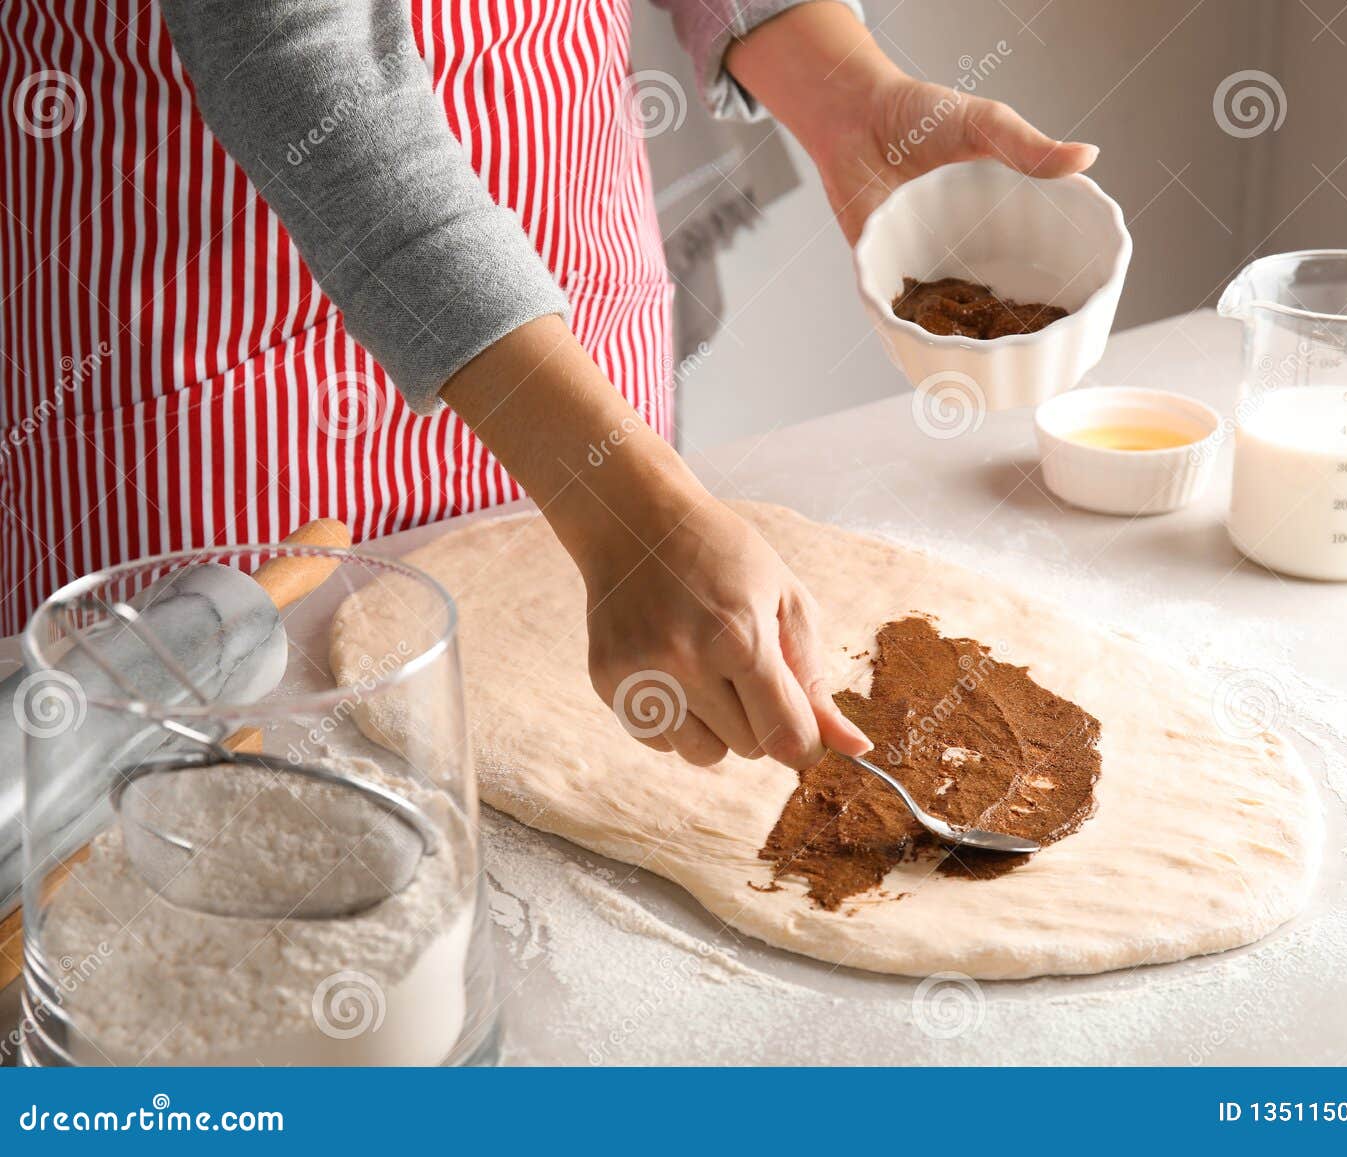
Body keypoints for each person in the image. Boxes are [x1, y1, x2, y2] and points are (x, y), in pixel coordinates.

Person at [1, 1, 1096, 770]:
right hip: (221, 341)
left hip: (560, 246)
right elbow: (289, 44)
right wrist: (628, 507)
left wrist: (851, 99)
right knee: (213, 895)